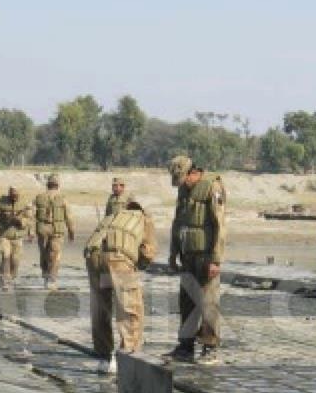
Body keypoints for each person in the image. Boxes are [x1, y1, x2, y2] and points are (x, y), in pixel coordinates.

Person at [166, 156, 226, 366]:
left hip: (206, 255)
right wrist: (173, 252)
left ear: (194, 172)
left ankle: (210, 347)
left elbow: (220, 226)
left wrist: (216, 260)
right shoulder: (183, 190)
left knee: (208, 302)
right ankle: (185, 346)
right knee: (187, 302)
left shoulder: (212, 187)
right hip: (187, 255)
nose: (182, 184)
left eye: (183, 179)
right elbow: (177, 223)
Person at [85, 201, 157, 374]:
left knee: (101, 308)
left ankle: (103, 357)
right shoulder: (144, 219)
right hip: (118, 259)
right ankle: (128, 356)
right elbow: (148, 251)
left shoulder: (113, 216)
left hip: (93, 258)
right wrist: (140, 265)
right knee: (131, 310)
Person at [34, 173, 75, 290]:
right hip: (57, 230)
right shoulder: (63, 199)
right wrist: (71, 232)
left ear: (48, 185)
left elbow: (31, 214)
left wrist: (30, 231)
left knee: (43, 253)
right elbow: (69, 217)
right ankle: (52, 279)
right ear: (58, 185)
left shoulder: (39, 197)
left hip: (42, 229)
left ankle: (46, 275)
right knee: (55, 255)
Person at [0, 186, 32, 289]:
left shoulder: (24, 203)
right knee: (5, 256)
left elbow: (29, 219)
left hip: (18, 235)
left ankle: (12, 277)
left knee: (15, 259)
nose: (14, 197)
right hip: (4, 235)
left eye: (16, 195)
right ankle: (4, 280)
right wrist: (4, 218)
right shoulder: (1, 202)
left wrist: (20, 221)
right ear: (9, 193)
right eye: (12, 195)